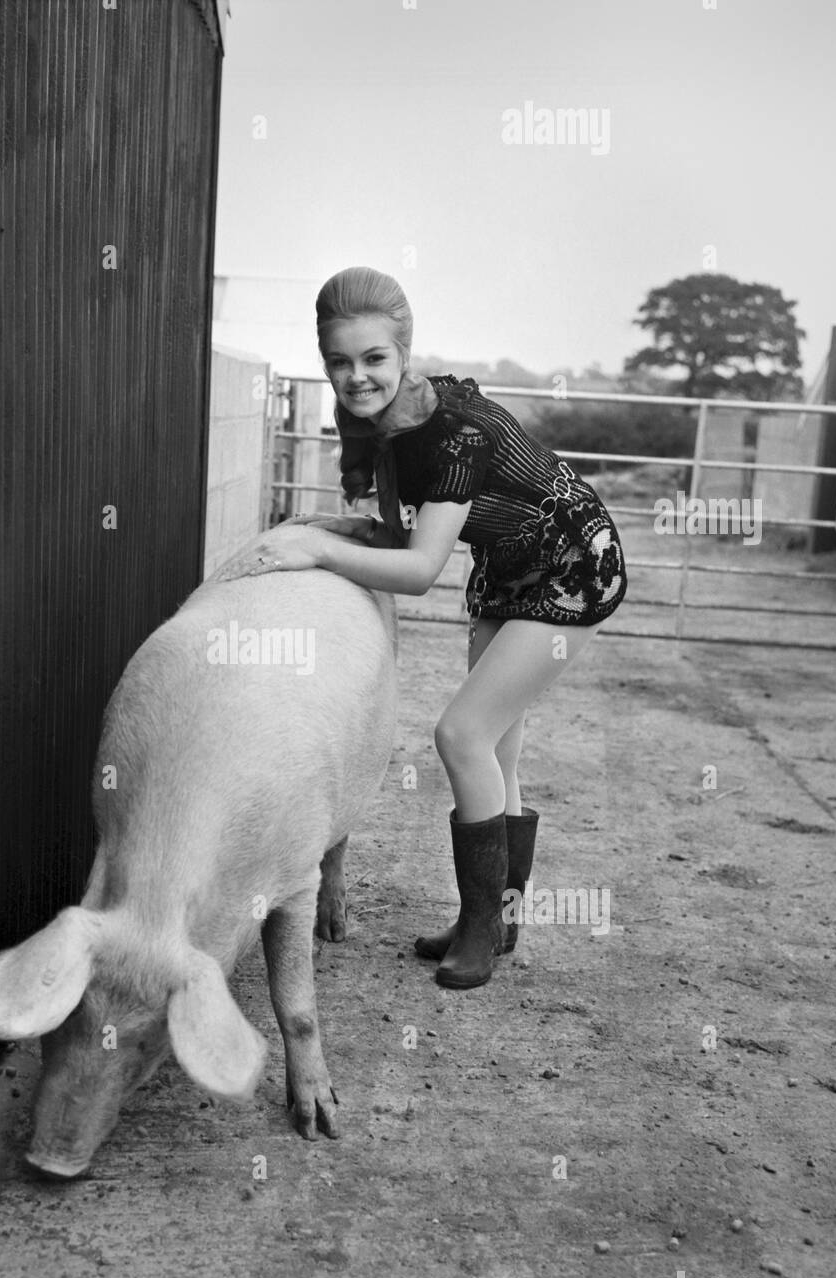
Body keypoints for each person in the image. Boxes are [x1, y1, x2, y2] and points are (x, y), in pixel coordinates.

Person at [214, 266, 626, 990]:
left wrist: (311, 549)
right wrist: (334, 528)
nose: (355, 376)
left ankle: (479, 928)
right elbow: (398, 534)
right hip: (506, 568)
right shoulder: (390, 426)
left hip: (570, 564)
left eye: (373, 359)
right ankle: (497, 919)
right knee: (496, 749)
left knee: (460, 735)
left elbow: (418, 568)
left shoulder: (451, 434)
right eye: (338, 361)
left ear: (404, 353)